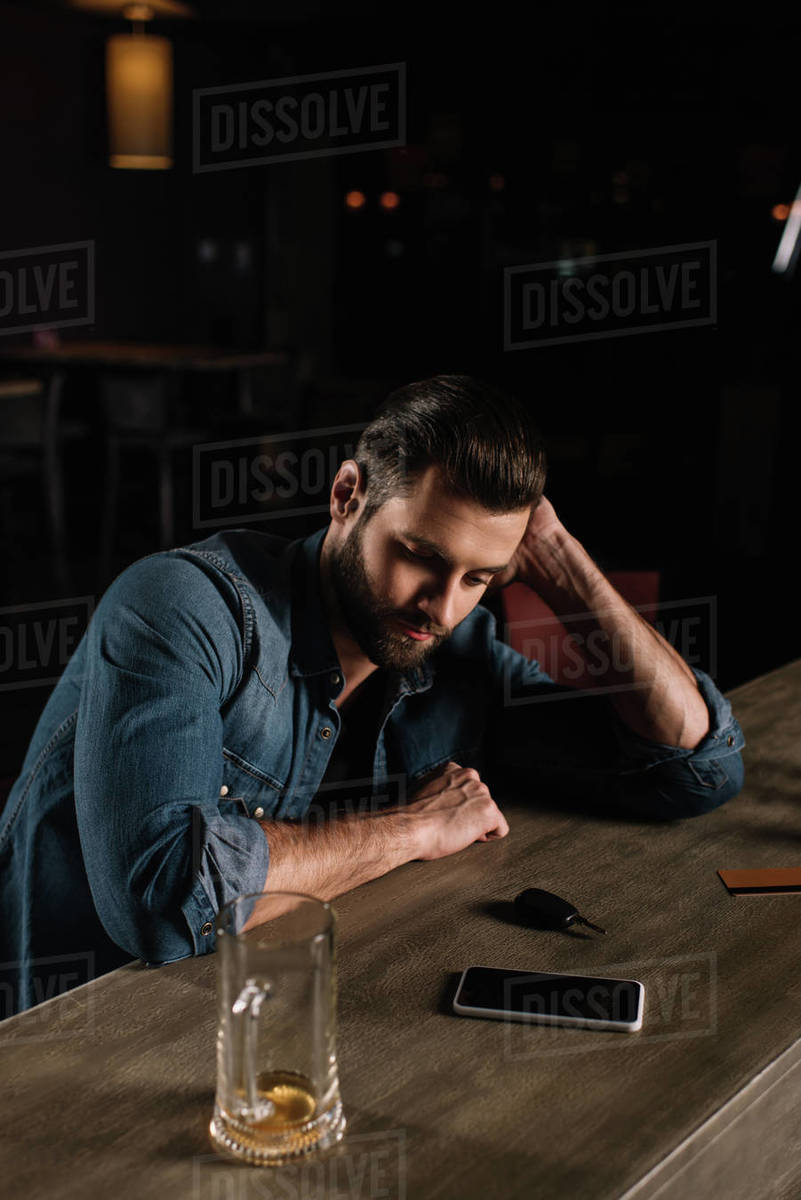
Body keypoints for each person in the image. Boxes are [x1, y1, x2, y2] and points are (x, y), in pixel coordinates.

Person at [0, 375, 744, 1016]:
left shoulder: (457, 652)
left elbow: (688, 766)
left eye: (479, 577)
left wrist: (560, 561)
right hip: (70, 1038)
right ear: (347, 496)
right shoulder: (184, 607)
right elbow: (163, 898)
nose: (442, 607)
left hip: (262, 1020)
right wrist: (413, 829)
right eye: (420, 556)